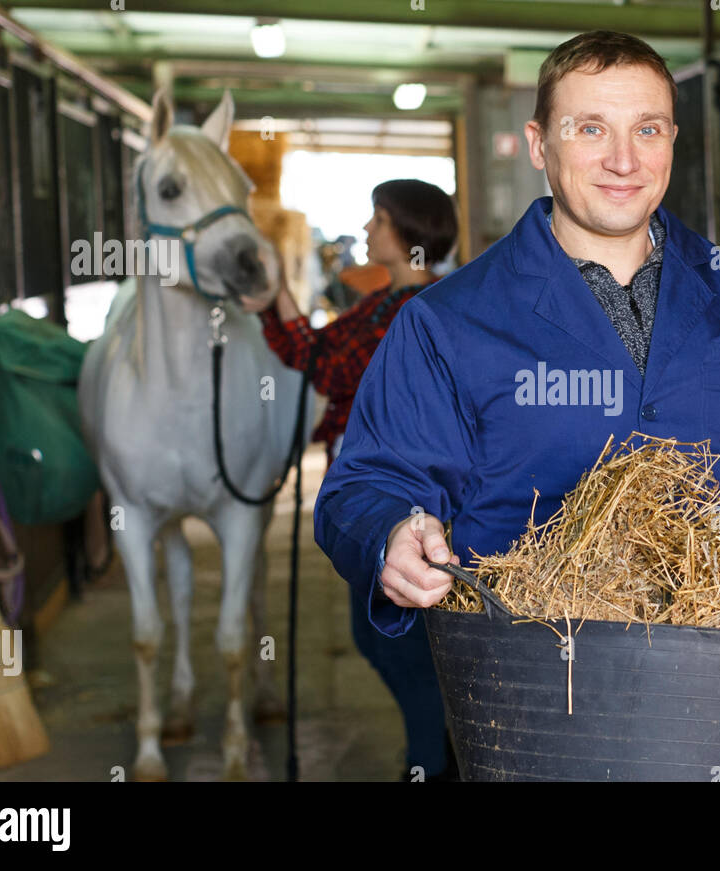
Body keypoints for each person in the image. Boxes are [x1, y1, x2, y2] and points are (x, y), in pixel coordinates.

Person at [314, 31, 720, 648]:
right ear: (539, 145)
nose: (624, 161)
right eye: (591, 129)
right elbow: (366, 486)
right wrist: (391, 533)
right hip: (529, 678)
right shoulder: (448, 321)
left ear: (673, 139)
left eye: (648, 129)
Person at [243, 178, 459, 781]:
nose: (367, 231)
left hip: (401, 498)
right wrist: (276, 290)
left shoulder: (408, 314)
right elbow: (318, 353)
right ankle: (435, 752)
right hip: (384, 500)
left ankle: (431, 762)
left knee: (397, 640)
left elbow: (326, 362)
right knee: (384, 638)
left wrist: (275, 295)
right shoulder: (394, 302)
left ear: (408, 231)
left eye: (378, 220)